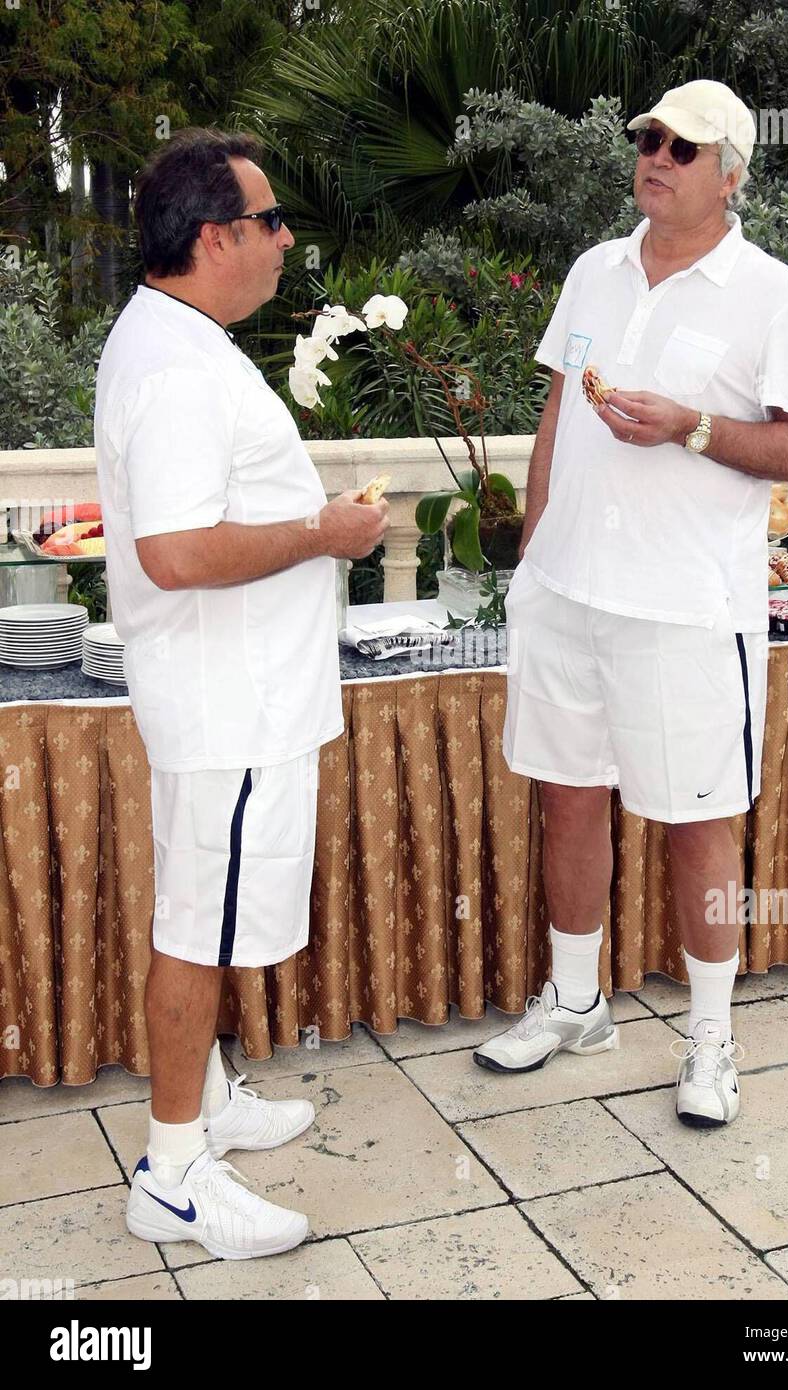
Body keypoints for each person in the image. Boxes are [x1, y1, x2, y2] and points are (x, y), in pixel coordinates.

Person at [475, 80, 788, 1126]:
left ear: (731, 174)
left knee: (698, 824)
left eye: (683, 146)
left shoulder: (770, 295)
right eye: (647, 138)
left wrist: (691, 427)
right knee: (567, 793)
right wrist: (534, 553)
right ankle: (578, 1002)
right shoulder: (593, 270)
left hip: (683, 608)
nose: (657, 156)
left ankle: (712, 1041)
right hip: (566, 591)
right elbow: (557, 410)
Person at [94, 128, 389, 1258]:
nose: (284, 239)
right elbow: (172, 550)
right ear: (215, 237)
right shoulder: (174, 365)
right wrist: (325, 531)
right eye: (270, 222)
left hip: (233, 695)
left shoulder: (180, 339)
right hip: (227, 701)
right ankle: (173, 1173)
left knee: (202, 912)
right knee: (198, 930)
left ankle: (207, 1098)